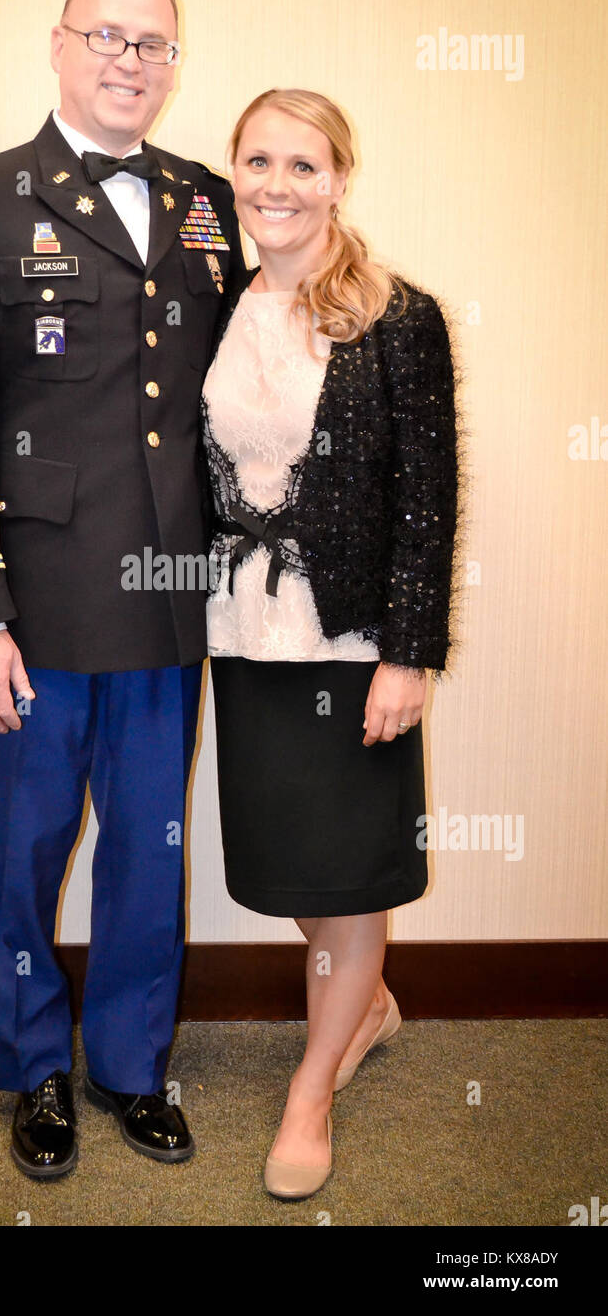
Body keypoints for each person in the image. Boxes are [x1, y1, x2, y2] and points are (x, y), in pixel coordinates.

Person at [0, 0, 244, 1181]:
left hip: (163, 596)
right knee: (26, 847)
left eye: (153, 44)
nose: (129, 60)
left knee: (151, 848)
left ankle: (131, 1066)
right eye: (108, 35)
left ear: (171, 64)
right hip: (30, 607)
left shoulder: (207, 203)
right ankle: (34, 1065)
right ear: (58, 46)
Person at [201, 89, 461, 1199]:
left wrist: (407, 654)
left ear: (338, 179)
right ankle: (366, 1006)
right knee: (291, 863)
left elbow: (425, 500)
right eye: (256, 160)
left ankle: (310, 1094)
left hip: (349, 635)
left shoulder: (395, 315)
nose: (274, 183)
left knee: (350, 877)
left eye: (300, 164)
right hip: (240, 629)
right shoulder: (211, 302)